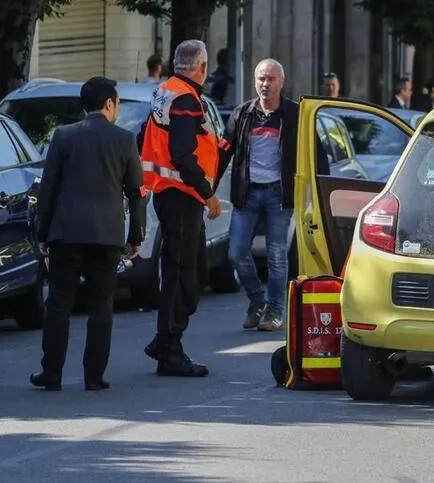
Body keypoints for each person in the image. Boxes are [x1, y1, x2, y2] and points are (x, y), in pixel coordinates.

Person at [30, 77, 147, 391]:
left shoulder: (63, 136)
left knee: (59, 303)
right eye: (118, 102)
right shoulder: (124, 141)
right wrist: (136, 237)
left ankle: (51, 372)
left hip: (65, 233)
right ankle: (94, 376)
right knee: (100, 304)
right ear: (109, 103)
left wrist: (43, 234)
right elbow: (137, 192)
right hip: (107, 236)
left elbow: (49, 189)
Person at [138, 39, 222, 377]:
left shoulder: (166, 90)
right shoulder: (185, 98)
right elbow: (182, 154)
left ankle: (164, 341)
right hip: (182, 195)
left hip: (171, 194)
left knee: (188, 269)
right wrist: (208, 193)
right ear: (201, 67)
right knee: (183, 272)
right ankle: (169, 349)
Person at [218, 59, 297, 332]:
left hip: (279, 193)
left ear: (281, 82)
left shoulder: (294, 114)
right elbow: (223, 151)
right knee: (236, 251)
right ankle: (256, 301)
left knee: (277, 255)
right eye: (261, 79)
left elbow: (316, 155)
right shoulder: (243, 114)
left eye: (271, 79)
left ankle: (275, 310)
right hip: (247, 192)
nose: (266, 84)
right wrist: (206, 190)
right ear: (255, 82)